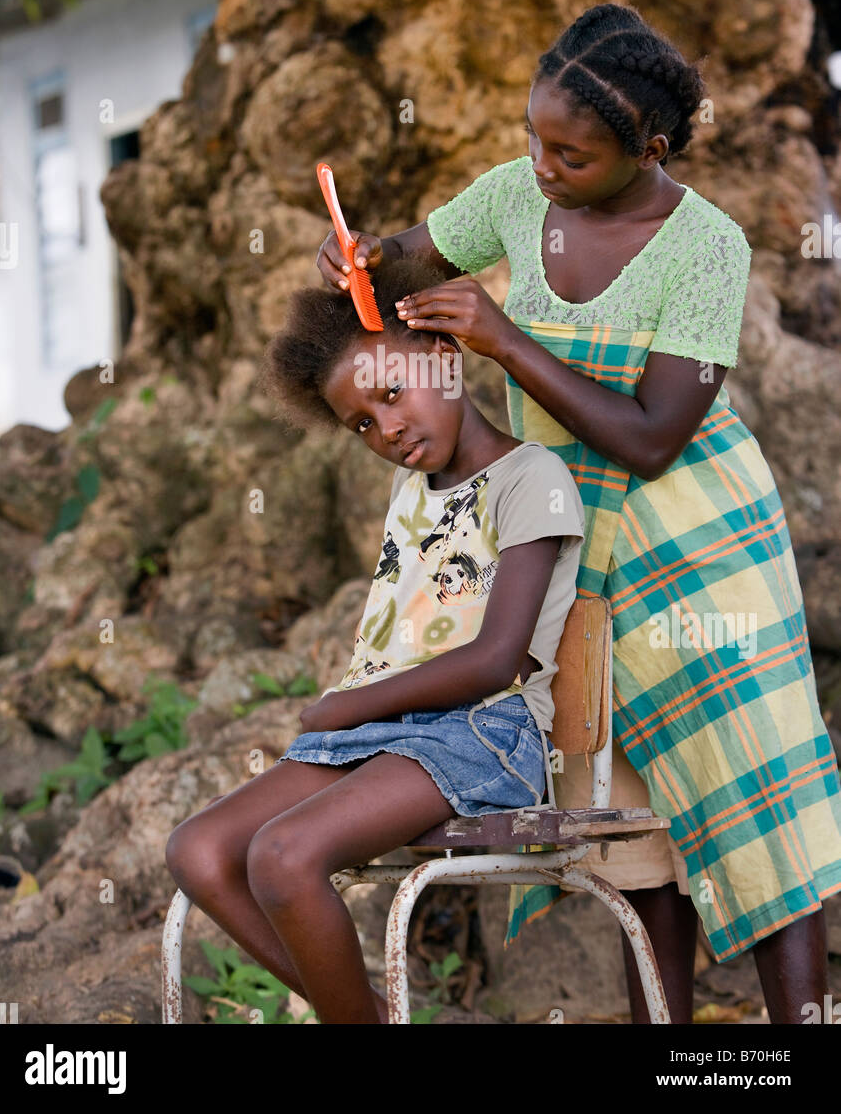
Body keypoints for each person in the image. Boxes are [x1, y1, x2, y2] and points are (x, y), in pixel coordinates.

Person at [315, 2, 841, 1024]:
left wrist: (506, 342)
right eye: (533, 141)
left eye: (572, 155)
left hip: (699, 555)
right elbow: (413, 257)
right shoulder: (518, 195)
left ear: (646, 150)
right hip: (571, 554)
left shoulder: (705, 247)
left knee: (753, 812)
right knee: (632, 830)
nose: (543, 168)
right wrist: (366, 257)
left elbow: (652, 435)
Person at [165, 255, 585, 1025]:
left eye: (392, 395)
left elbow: (497, 658)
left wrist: (343, 706)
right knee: (198, 852)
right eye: (362, 422)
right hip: (381, 732)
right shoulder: (409, 490)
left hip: (482, 733)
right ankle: (365, 1014)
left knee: (284, 856)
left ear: (445, 360)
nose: (386, 428)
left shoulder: (533, 479)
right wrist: (358, 713)